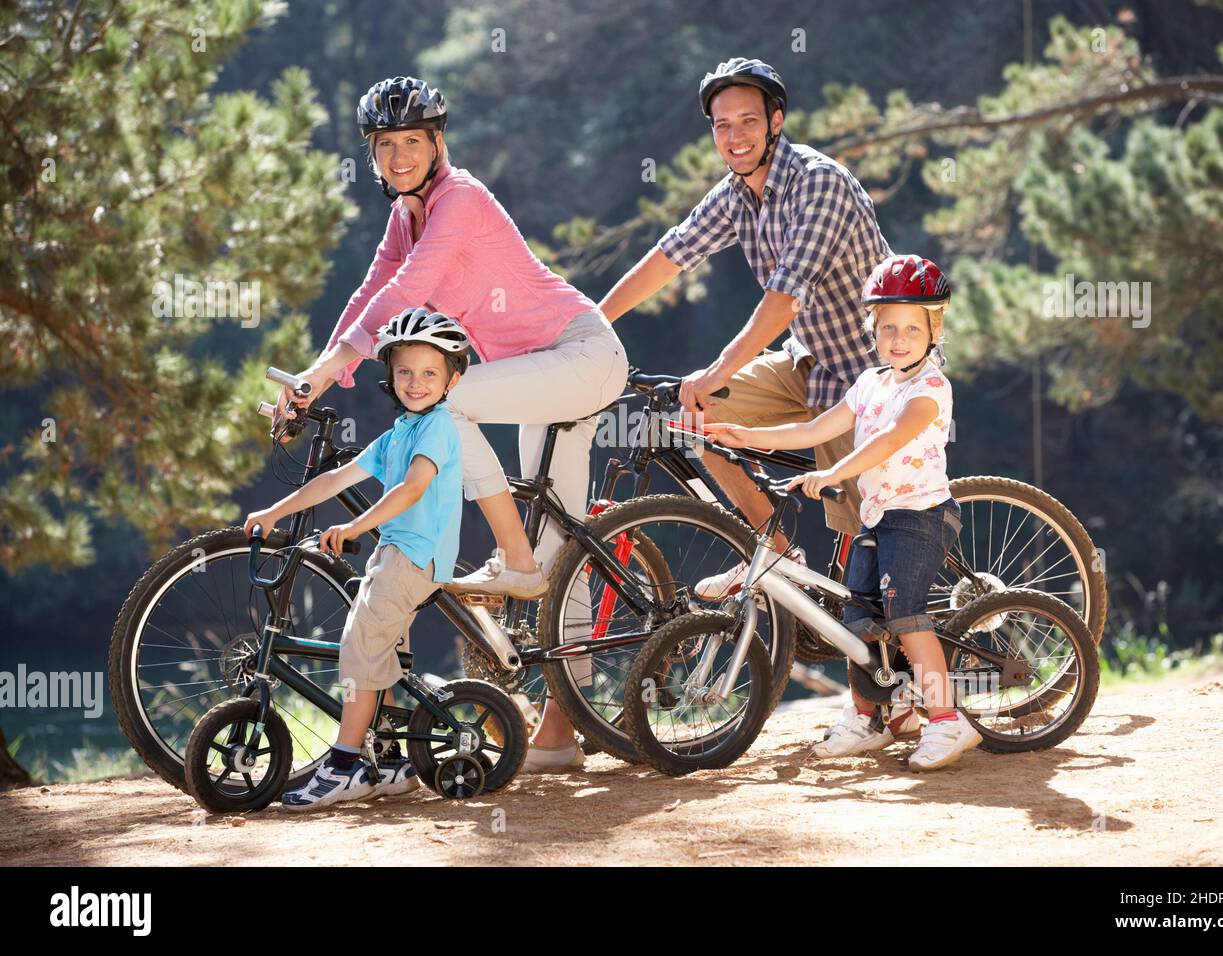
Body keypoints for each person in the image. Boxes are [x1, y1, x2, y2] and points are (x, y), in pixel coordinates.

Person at [276, 77, 627, 773]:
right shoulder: (405, 215)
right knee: (566, 546)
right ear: (372, 156)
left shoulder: (459, 200)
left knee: (448, 405)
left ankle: (515, 560)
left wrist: (329, 371)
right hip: (539, 370)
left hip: (581, 353)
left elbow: (407, 294)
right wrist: (317, 373)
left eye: (412, 141)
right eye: (385, 145)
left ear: (438, 143)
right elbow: (370, 295)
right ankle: (561, 732)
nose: (399, 155)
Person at [599, 57, 894, 597]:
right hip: (812, 361)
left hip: (875, 375)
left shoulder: (817, 182)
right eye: (722, 124)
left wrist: (716, 370)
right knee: (697, 416)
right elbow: (670, 257)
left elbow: (782, 303)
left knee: (873, 570)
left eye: (748, 121)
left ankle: (913, 634)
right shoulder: (737, 193)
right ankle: (777, 553)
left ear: (776, 121)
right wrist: (594, 324)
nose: (734, 136)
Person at [705, 255, 981, 771]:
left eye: (912, 329)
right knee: (857, 622)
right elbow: (813, 431)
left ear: (934, 330)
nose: (898, 339)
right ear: (872, 331)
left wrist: (832, 475)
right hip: (875, 518)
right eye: (887, 328)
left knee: (906, 614)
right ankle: (870, 717)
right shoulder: (871, 383)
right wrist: (745, 436)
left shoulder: (930, 389)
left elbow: (889, 440)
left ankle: (947, 721)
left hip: (919, 516)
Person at [245, 308, 469, 809]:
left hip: (414, 557)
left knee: (357, 646)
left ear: (452, 379)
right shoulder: (398, 433)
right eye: (405, 371)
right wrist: (274, 511)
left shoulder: (437, 429)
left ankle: (345, 763)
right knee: (380, 654)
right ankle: (390, 760)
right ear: (390, 375)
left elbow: (413, 488)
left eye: (430, 373)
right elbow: (334, 480)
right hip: (397, 554)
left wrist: (354, 527)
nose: (415, 382)